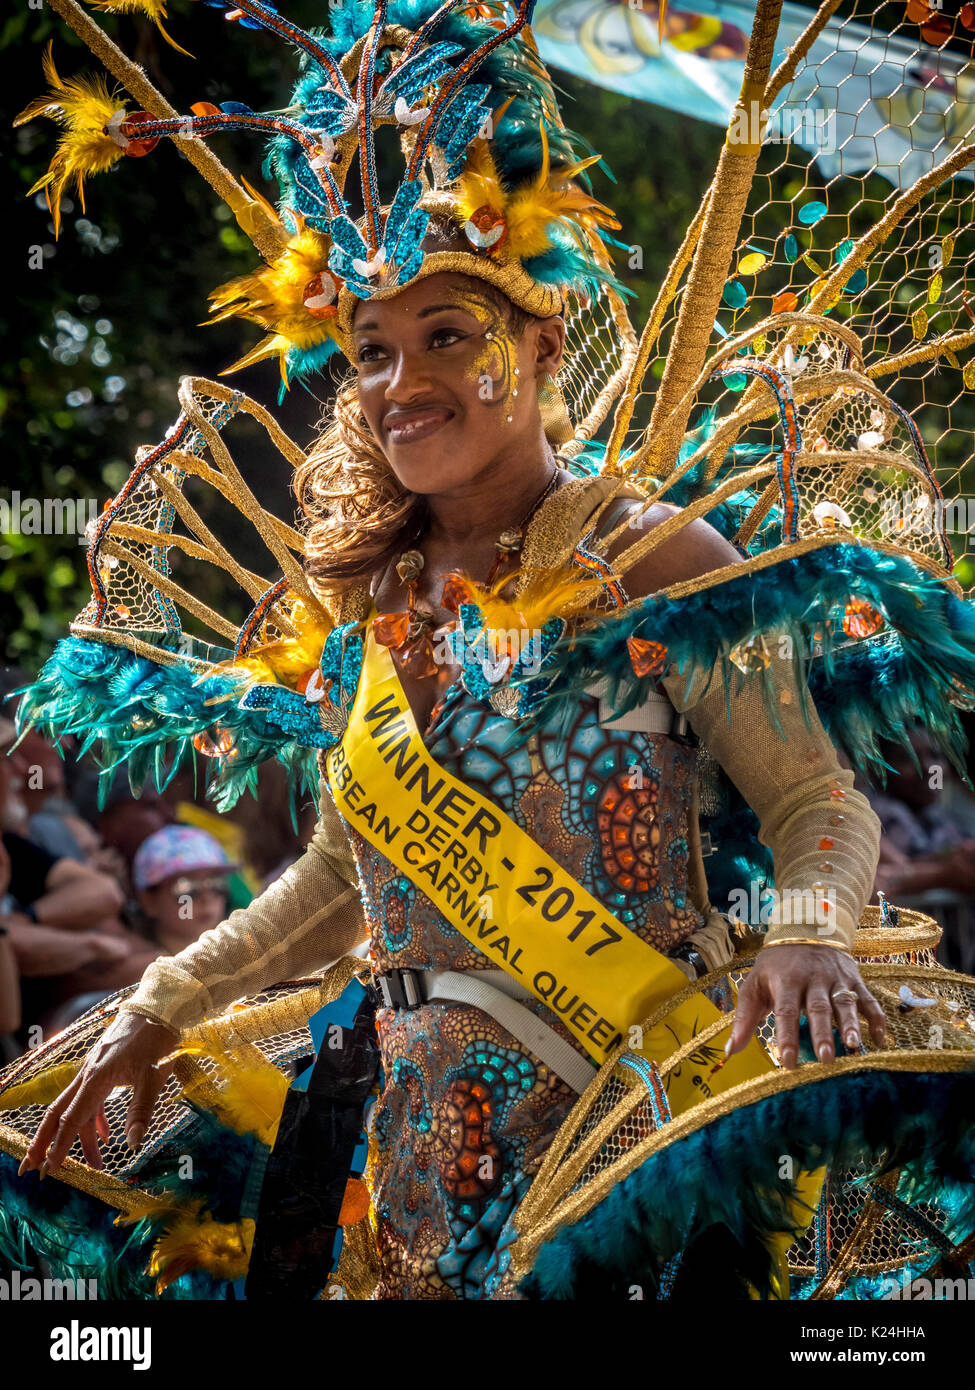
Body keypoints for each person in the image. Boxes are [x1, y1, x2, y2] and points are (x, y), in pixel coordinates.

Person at [8, 0, 975, 1301]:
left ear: (536, 342)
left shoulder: (651, 559)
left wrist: (802, 932)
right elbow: (345, 880)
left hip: (615, 1141)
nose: (400, 380)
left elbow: (810, 797)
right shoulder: (377, 603)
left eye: (445, 336)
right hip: (395, 1142)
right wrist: (156, 1003)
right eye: (370, 351)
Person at [132, 825, 235, 955]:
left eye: (217, 883)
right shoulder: (140, 971)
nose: (206, 898)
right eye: (187, 888)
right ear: (149, 901)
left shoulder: (245, 955)